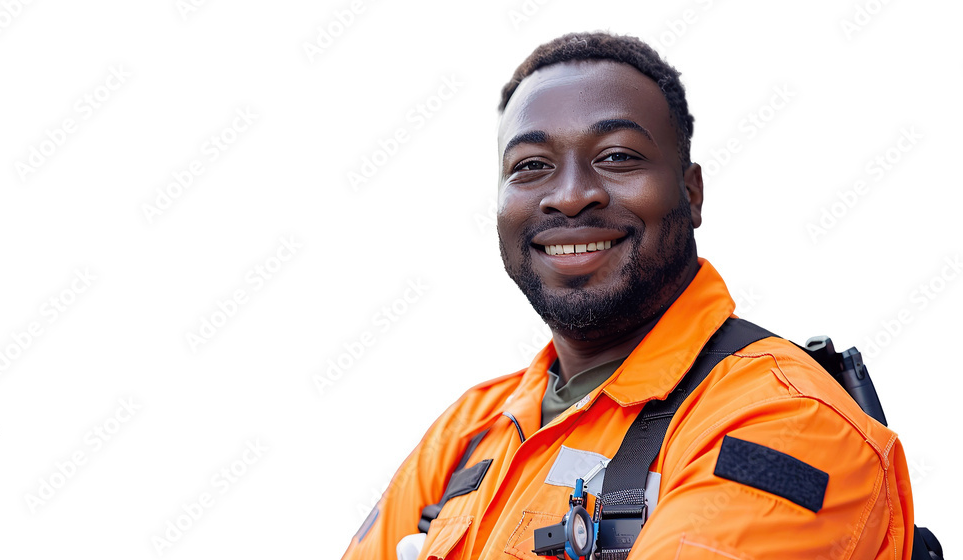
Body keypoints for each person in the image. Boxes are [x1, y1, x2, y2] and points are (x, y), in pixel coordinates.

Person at [341, 31, 915, 560]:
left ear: (691, 192)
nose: (570, 196)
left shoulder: (786, 420)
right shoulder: (468, 432)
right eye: (531, 166)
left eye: (617, 156)